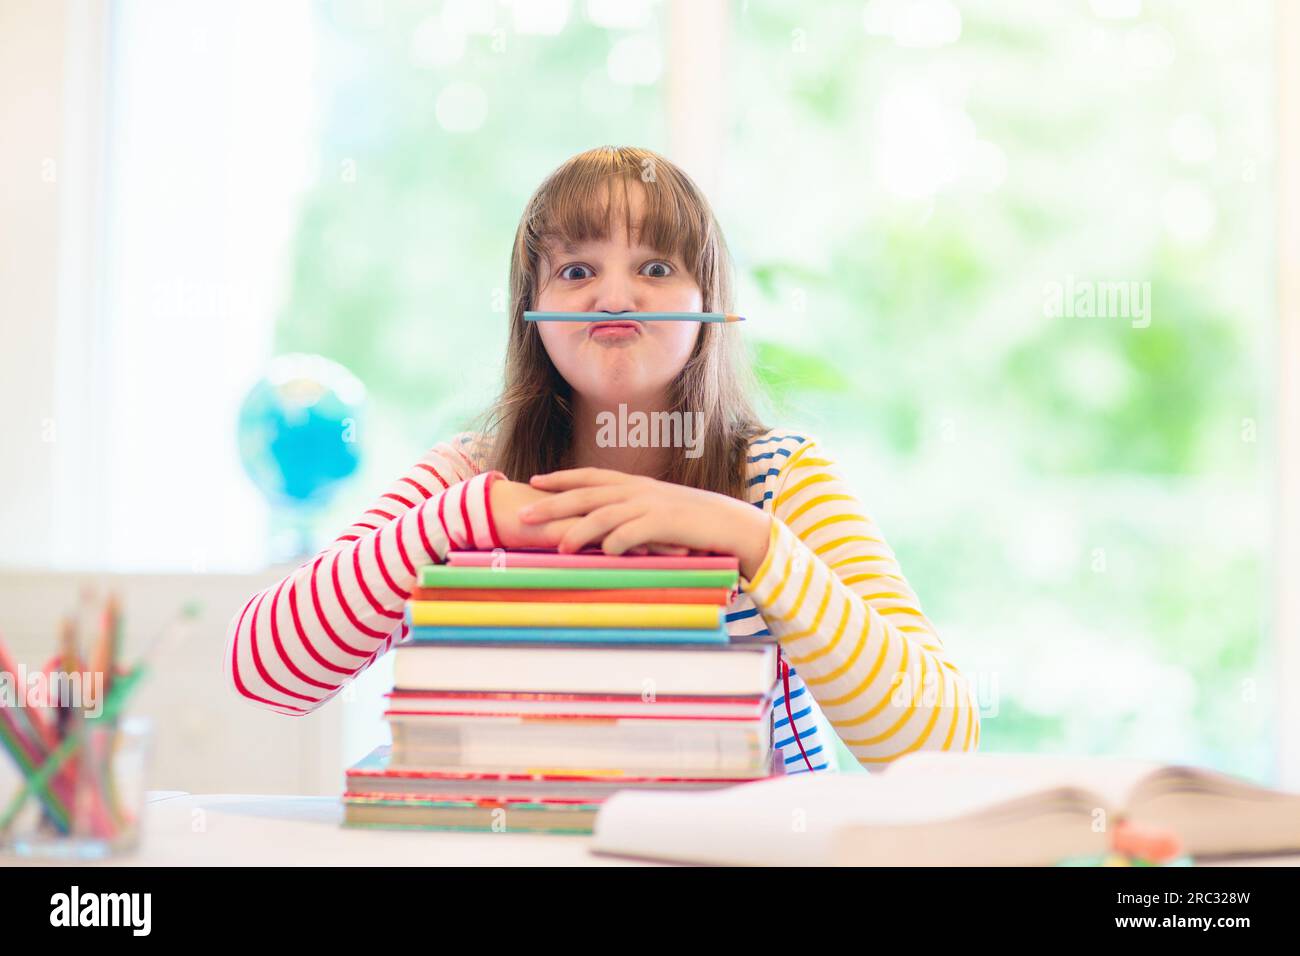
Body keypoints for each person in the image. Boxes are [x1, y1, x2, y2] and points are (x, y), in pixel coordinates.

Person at [222, 145, 980, 772]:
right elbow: (263, 672)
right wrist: (466, 514)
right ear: (533, 315)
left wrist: (751, 538)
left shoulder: (779, 479)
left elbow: (937, 741)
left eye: (655, 269)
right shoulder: (463, 476)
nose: (614, 295)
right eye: (577, 272)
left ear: (707, 306)